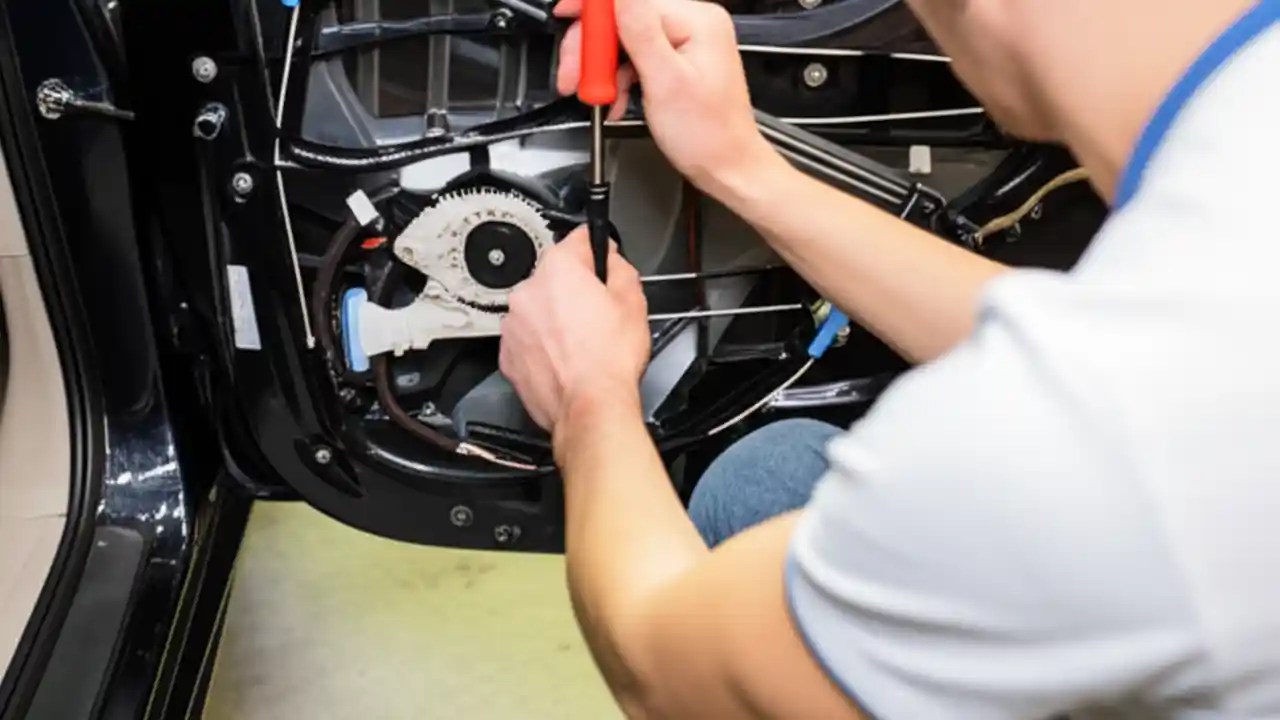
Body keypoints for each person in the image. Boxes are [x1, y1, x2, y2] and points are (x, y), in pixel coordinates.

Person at [498, 0, 1280, 716]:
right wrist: (740, 165)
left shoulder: (1111, 445)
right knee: (770, 476)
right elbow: (1100, 342)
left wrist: (588, 399)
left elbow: (663, 667)